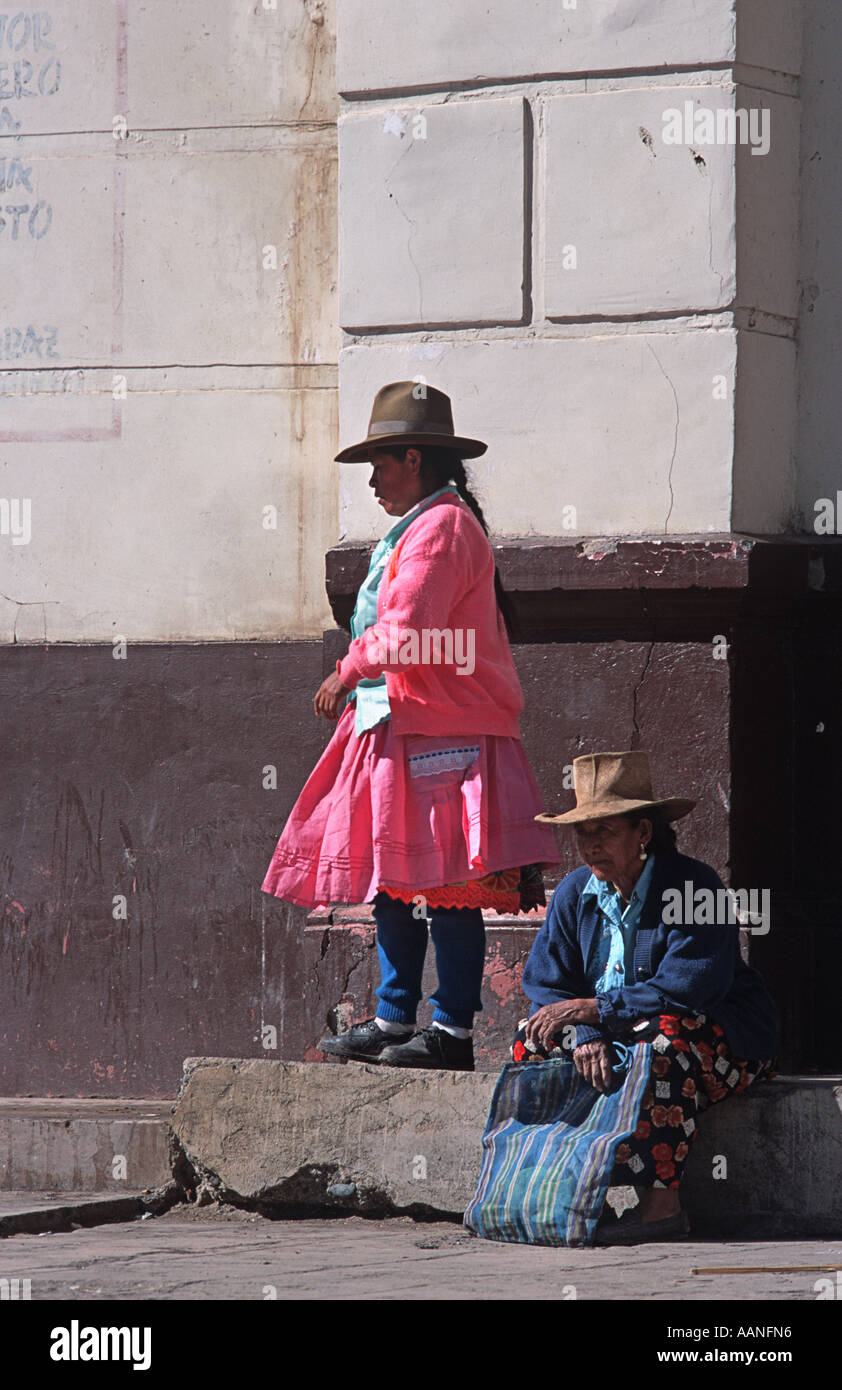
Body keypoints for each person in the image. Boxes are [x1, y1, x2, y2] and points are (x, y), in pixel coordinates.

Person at [261, 381, 560, 1071]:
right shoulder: (425, 528)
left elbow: (411, 629)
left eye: (380, 464)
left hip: (443, 729)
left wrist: (348, 667)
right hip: (409, 722)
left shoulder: (443, 529)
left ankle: (451, 1031)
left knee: (450, 884)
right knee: (395, 876)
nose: (372, 481)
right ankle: (396, 1018)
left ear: (415, 458)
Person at [464, 750, 780, 1245]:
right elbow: (548, 985)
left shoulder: (694, 886)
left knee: (661, 1044)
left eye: (605, 831)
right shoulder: (574, 892)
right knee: (532, 1040)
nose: (590, 847)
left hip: (719, 1037)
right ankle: (551, 1186)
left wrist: (597, 1010)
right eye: (583, 834)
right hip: (618, 1027)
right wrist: (585, 1030)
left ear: (644, 833)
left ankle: (661, 1208)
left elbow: (692, 985)